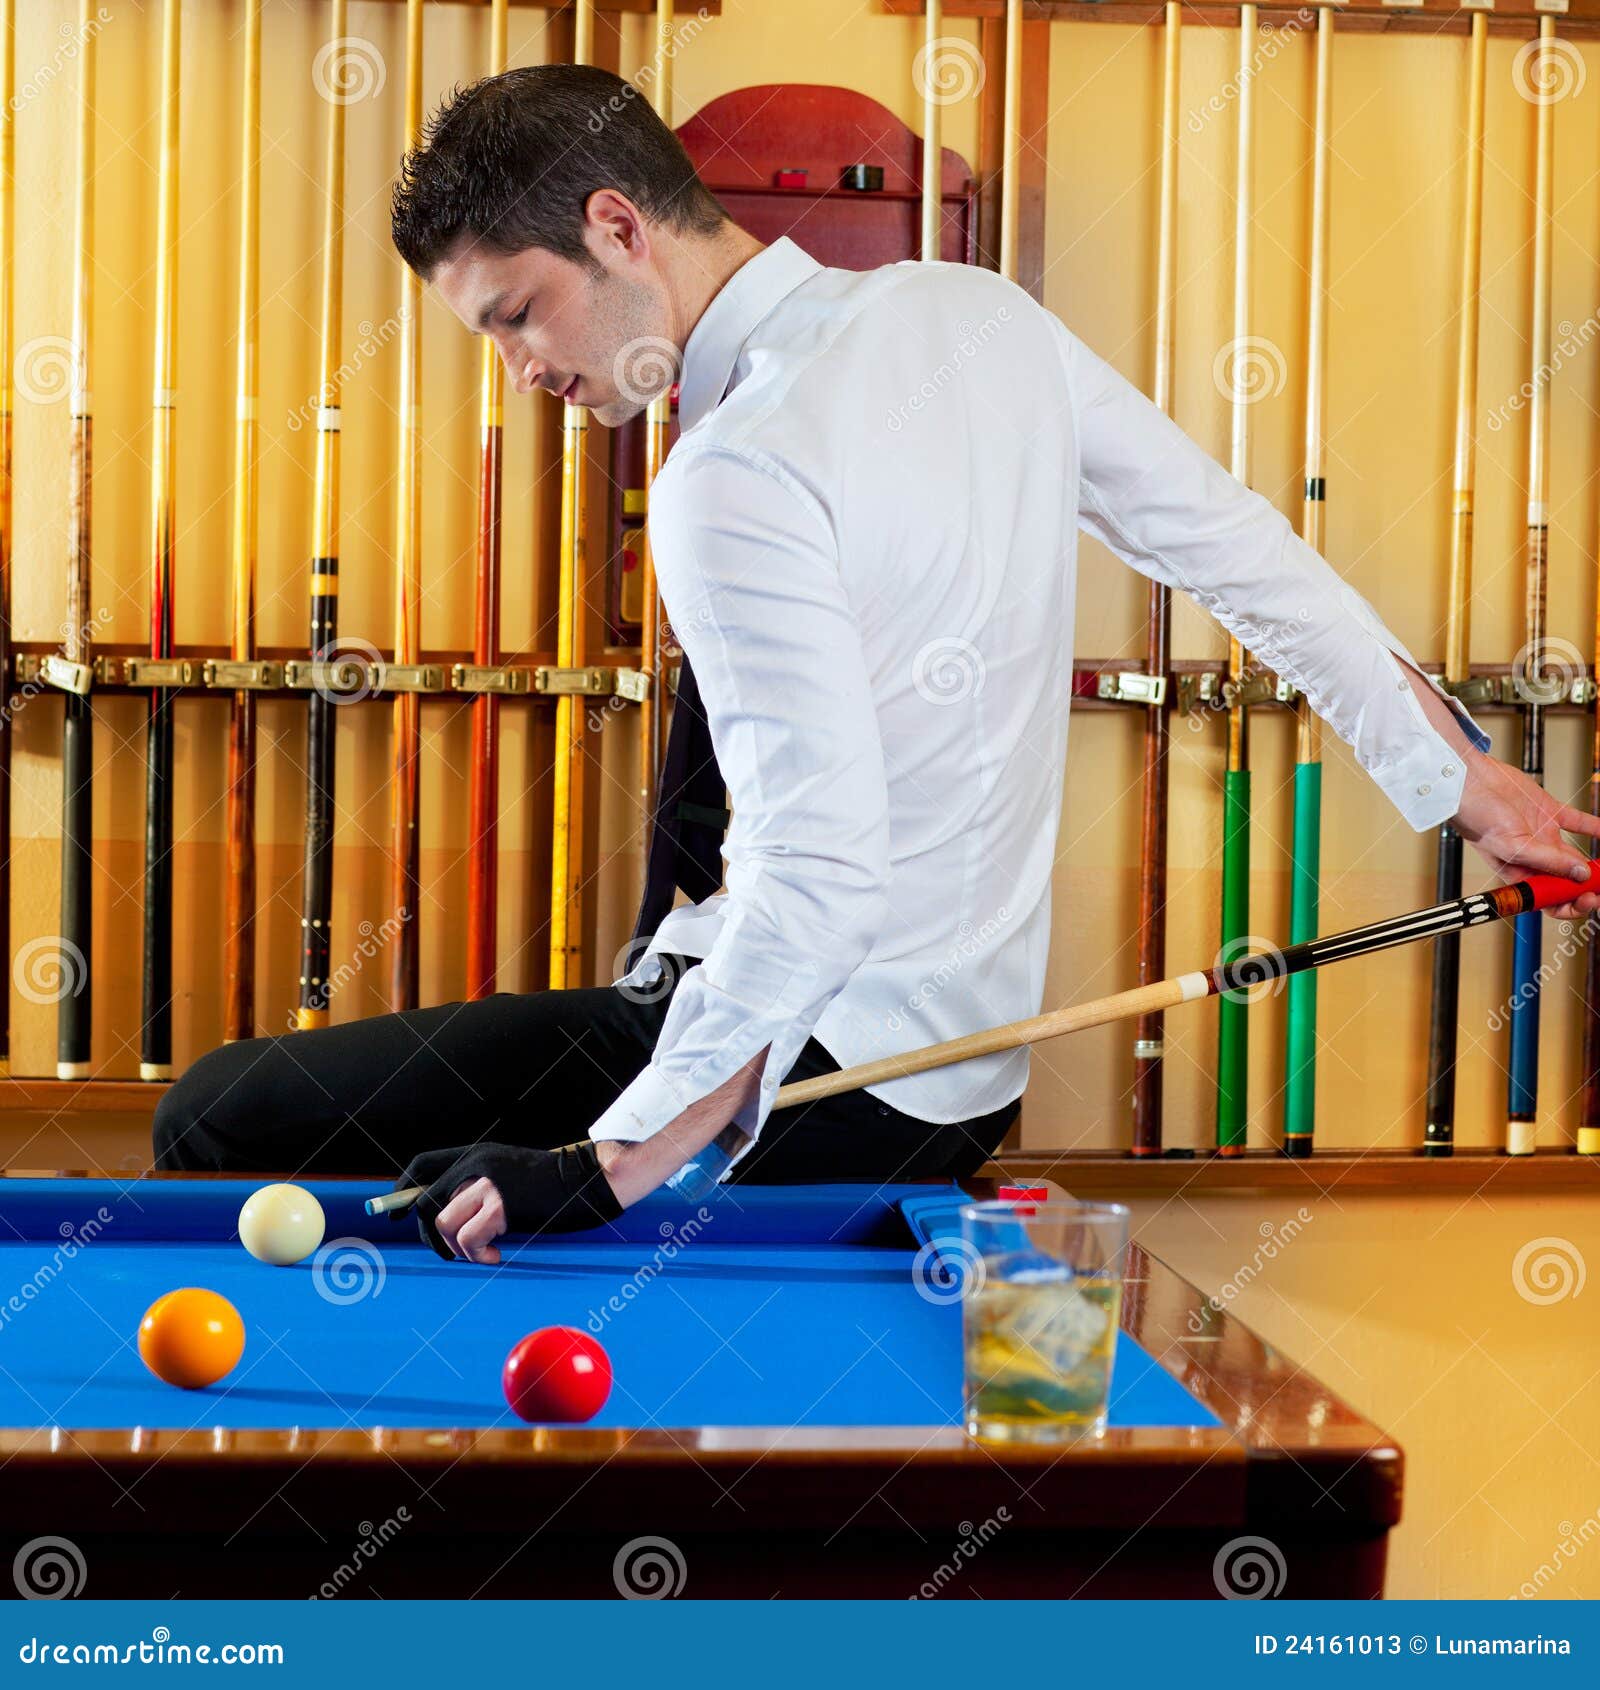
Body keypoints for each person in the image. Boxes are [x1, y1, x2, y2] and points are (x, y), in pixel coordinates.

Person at [153, 63, 1600, 1262]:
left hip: (807, 1072)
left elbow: (822, 869)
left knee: (219, 1118)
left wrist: (605, 1164)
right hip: (956, 1084)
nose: (522, 373)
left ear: (615, 227)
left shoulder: (731, 474)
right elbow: (1244, 554)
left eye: (517, 317)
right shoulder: (979, 318)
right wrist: (1469, 782)